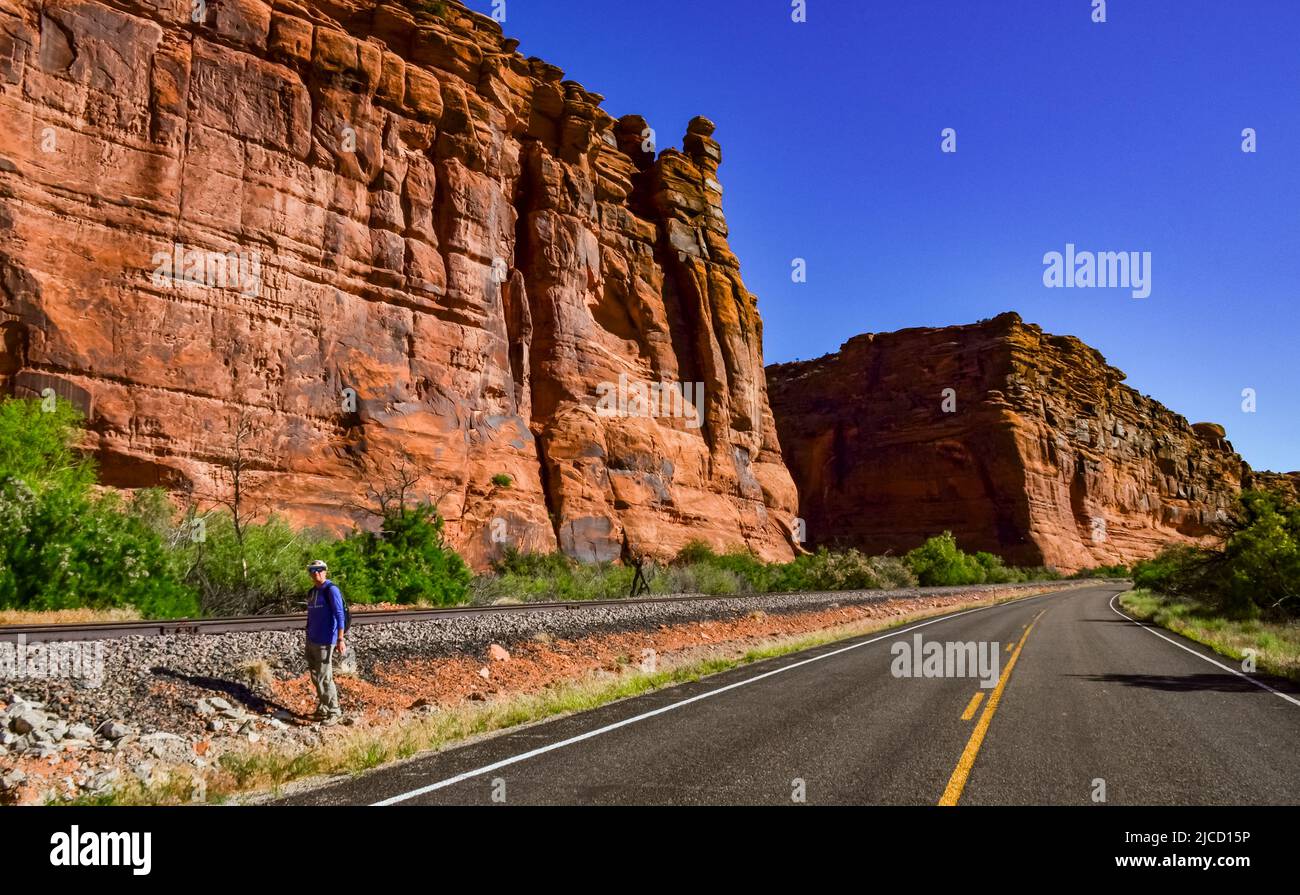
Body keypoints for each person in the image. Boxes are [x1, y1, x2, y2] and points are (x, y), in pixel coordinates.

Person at [305, 560, 346, 724]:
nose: (316, 573)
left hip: (325, 641)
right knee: (315, 676)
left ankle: (334, 711)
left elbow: (339, 614)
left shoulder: (331, 590)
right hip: (312, 639)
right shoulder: (312, 592)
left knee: (325, 677)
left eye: (320, 570)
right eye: (313, 570)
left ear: (325, 571)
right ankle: (323, 706)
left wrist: (340, 638)